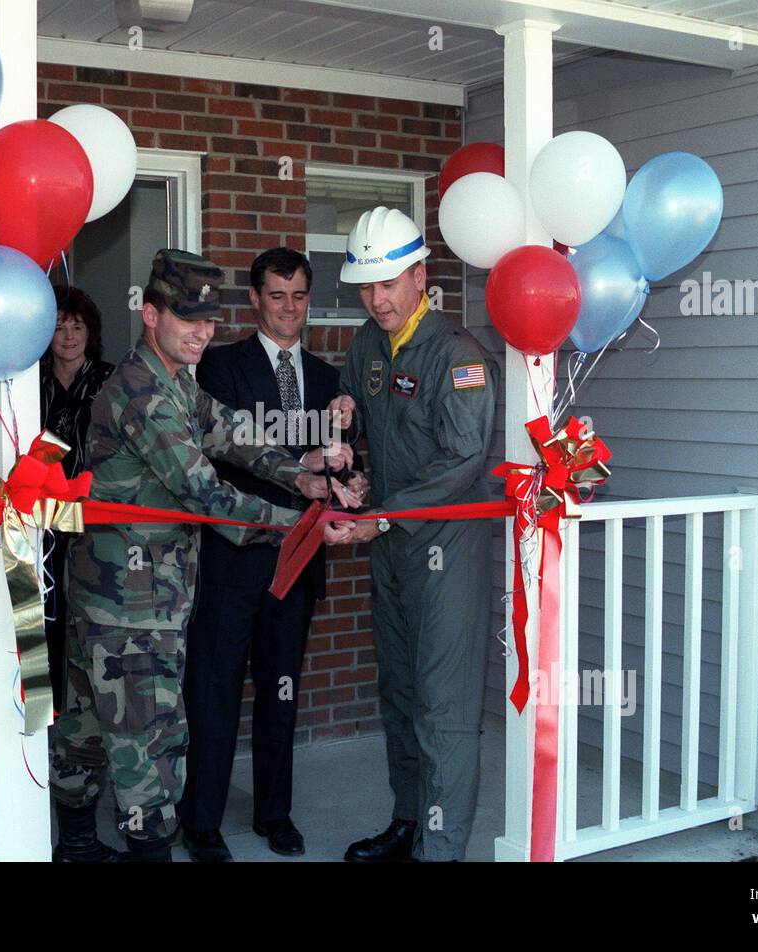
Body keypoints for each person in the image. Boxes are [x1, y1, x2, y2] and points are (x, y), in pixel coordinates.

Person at [49, 249, 358, 862]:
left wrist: (302, 476)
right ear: (151, 315)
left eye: (210, 322)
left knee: (85, 729)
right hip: (134, 607)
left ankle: (79, 846)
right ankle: (148, 851)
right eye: (188, 320)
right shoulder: (143, 392)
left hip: (112, 595)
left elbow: (238, 435)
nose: (202, 334)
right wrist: (301, 525)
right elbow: (207, 494)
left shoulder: (175, 381)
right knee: (148, 743)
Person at [326, 206, 499, 862]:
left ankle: (441, 849)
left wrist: (381, 514)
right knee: (399, 690)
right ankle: (409, 824)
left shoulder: (460, 355)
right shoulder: (369, 344)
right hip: (392, 544)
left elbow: (462, 461)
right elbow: (364, 427)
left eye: (388, 283)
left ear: (421, 276)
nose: (376, 299)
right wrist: (350, 453)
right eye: (366, 286)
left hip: (445, 548)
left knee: (443, 705)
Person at [179, 247, 363, 862]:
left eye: (300, 295)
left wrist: (351, 479)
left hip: (299, 560)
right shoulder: (220, 366)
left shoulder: (330, 380)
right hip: (232, 560)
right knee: (216, 690)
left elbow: (342, 465)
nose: (290, 308)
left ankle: (273, 813)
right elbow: (229, 450)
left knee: (282, 690)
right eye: (277, 295)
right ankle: (201, 820)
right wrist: (306, 456)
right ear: (255, 299)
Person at [39, 286, 113, 713]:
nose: (68, 336)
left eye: (77, 326)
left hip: (93, 516)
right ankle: (46, 714)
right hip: (43, 519)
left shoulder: (110, 381)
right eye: (58, 327)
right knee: (47, 613)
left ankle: (85, 716)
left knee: (88, 615)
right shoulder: (29, 380)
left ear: (91, 332)